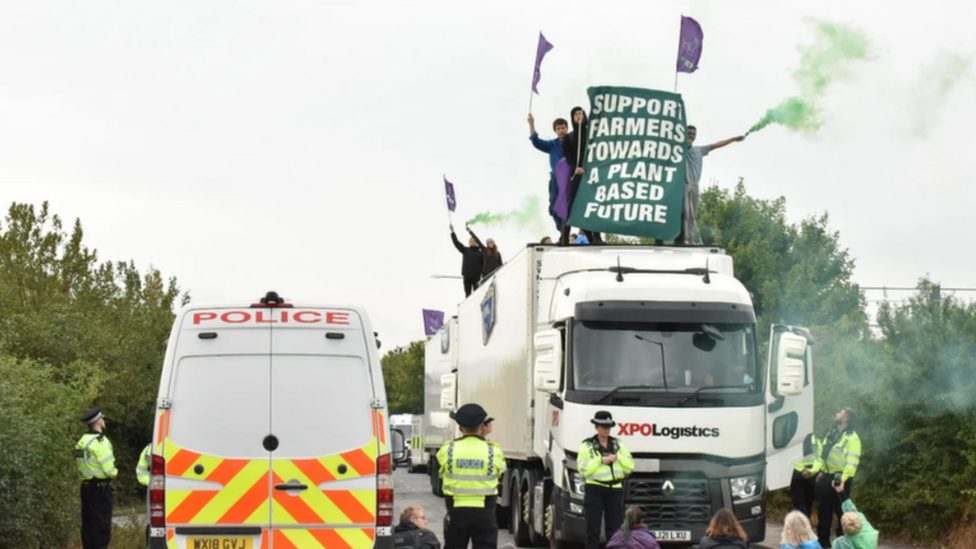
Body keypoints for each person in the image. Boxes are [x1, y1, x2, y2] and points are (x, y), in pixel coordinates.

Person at [437, 403, 506, 549]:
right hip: (485, 512)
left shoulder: (447, 449)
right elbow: (500, 472)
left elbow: (442, 468)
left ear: (460, 428)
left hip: (456, 511)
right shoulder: (493, 451)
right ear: (482, 427)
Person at [677, 126, 745, 245]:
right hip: (684, 184)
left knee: (693, 214)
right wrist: (685, 145)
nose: (691, 136)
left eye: (693, 134)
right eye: (689, 134)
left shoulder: (699, 150)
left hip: (695, 184)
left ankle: (691, 239)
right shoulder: (680, 150)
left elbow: (717, 145)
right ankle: (684, 239)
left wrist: (733, 139)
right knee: (685, 212)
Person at [578, 411, 634, 549]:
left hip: (615, 490)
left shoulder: (617, 444)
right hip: (595, 489)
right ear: (596, 427)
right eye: (604, 427)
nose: (607, 430)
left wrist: (618, 457)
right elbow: (583, 469)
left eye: (609, 427)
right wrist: (600, 460)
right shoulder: (587, 446)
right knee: (593, 528)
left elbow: (630, 466)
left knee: (615, 529)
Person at [814, 407, 862, 548]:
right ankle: (823, 542)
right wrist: (821, 471)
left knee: (841, 511)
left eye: (840, 413)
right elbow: (823, 454)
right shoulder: (832, 434)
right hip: (827, 474)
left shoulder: (852, 438)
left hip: (839, 476)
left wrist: (842, 479)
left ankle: (843, 542)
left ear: (845, 418)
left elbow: (852, 463)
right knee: (824, 510)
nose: (837, 414)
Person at [75, 406, 117, 549]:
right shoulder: (100, 442)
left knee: (88, 526)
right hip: (100, 491)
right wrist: (115, 473)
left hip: (86, 488)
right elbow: (110, 471)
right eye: (102, 419)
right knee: (101, 527)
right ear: (98, 422)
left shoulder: (81, 442)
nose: (103, 421)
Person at [560, 106, 603, 246]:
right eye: (576, 114)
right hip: (576, 175)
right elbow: (568, 156)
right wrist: (575, 168)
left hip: (592, 175)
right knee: (571, 205)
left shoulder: (593, 134)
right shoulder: (569, 137)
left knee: (593, 205)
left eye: (581, 113)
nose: (579, 116)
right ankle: (564, 236)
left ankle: (596, 237)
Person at [528, 113, 569, 231]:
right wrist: (531, 123)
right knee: (554, 207)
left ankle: (586, 234)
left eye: (563, 128)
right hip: (556, 180)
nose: (561, 131)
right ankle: (562, 232)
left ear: (567, 128)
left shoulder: (574, 142)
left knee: (571, 206)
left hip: (570, 179)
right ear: (555, 131)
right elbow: (536, 141)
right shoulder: (552, 145)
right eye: (558, 129)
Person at [791, 432, 823, 518]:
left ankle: (804, 522)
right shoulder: (816, 440)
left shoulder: (796, 438)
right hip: (811, 472)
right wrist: (812, 471)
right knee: (808, 502)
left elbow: (792, 457)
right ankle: (807, 522)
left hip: (799, 471)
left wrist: (801, 469)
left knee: (799, 501)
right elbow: (819, 459)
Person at [450, 224, 483, 297]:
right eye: (471, 241)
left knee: (477, 294)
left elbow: (484, 265)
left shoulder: (481, 253)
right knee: (468, 294)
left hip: (476, 277)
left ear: (476, 242)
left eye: (474, 241)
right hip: (467, 277)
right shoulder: (465, 250)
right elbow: (456, 243)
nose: (472, 242)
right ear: (469, 242)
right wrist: (452, 232)